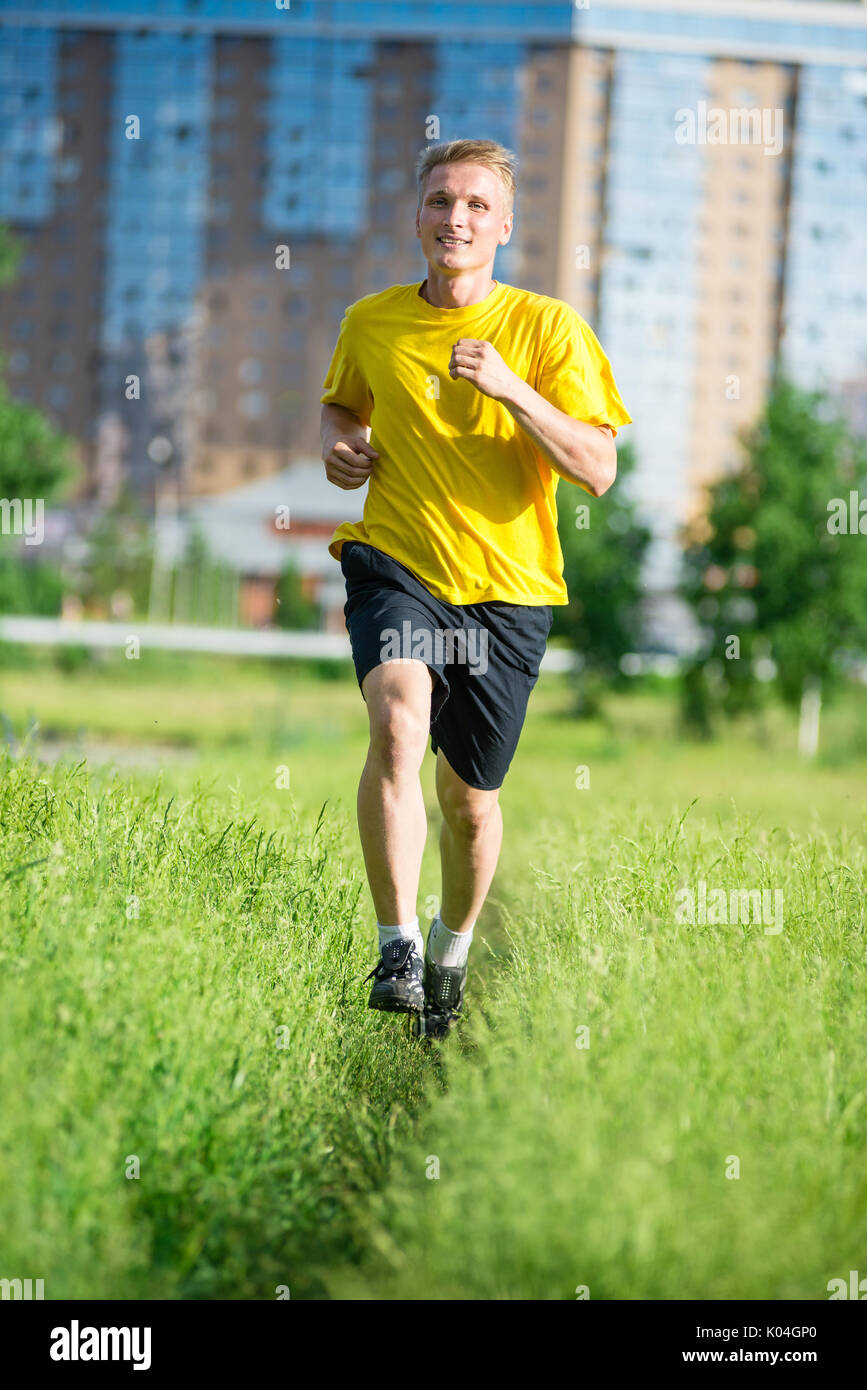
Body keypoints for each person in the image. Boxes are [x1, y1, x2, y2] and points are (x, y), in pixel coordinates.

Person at [319, 138, 631, 1040]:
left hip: (507, 589)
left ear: (504, 225)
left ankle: (451, 955)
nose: (455, 219)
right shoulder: (370, 321)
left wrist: (512, 390)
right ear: (417, 214)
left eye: (474, 206)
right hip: (397, 563)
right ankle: (397, 946)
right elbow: (344, 404)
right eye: (439, 201)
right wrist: (340, 446)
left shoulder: (547, 329)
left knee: (470, 800)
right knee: (397, 721)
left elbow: (598, 466)